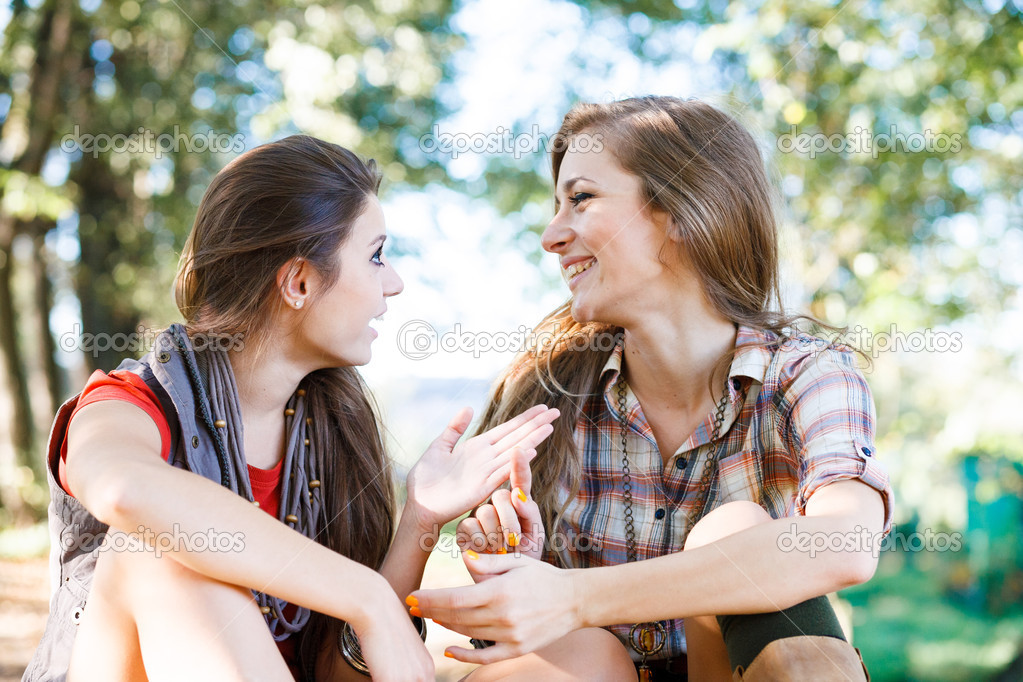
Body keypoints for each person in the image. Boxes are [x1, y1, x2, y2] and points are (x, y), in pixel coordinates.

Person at [23, 135, 560, 682]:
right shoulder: (130, 404)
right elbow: (123, 489)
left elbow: (337, 673)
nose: (394, 283)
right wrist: (365, 594)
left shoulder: (332, 429)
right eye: (376, 255)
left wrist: (419, 520)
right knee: (157, 547)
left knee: (583, 658)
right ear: (299, 281)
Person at [409, 96, 894, 681]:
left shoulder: (808, 374)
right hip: (597, 672)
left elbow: (843, 542)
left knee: (735, 529)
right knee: (587, 656)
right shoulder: (550, 392)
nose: (551, 235)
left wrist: (574, 595)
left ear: (683, 212)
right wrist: (520, 571)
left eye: (581, 199)